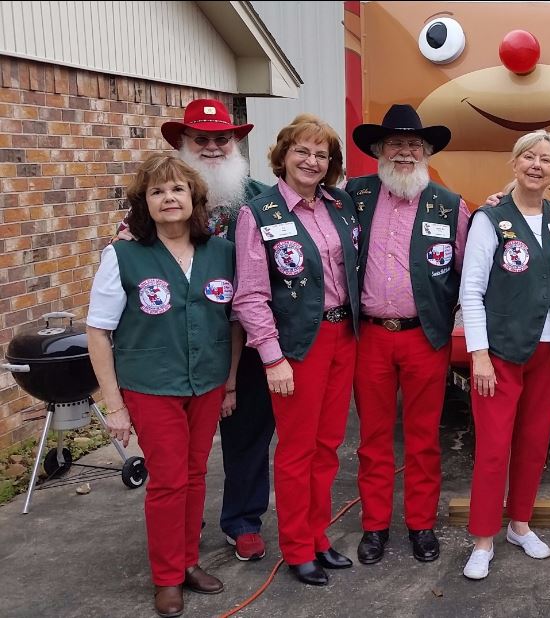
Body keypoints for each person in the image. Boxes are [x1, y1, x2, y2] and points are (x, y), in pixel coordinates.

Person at [87, 154, 238, 617]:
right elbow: (98, 330)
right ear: (144, 204)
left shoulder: (222, 252)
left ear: (194, 198)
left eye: (177, 190)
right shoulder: (124, 255)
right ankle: (167, 576)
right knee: (169, 481)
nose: (169, 198)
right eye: (157, 192)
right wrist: (114, 406)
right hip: (151, 385)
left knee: (195, 476)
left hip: (208, 383)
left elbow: (235, 323)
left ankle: (189, 561)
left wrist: (230, 381)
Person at [233, 114, 360, 587]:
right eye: (302, 151)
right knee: (296, 450)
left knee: (328, 446)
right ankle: (296, 546)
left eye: (321, 154)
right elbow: (249, 294)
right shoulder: (259, 213)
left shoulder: (340, 205)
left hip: (343, 336)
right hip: (297, 347)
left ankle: (319, 536)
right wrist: (272, 356)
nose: (311, 161)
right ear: (283, 155)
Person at [347, 104, 472, 565]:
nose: (405, 152)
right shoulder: (352, 196)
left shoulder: (450, 204)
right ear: (379, 150)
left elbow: (469, 270)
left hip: (425, 337)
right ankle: (375, 526)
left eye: (413, 145)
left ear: (426, 152)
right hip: (371, 337)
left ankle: (421, 524)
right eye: (395, 144)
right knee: (374, 438)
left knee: (423, 438)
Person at [157, 98, 274, 563]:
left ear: (236, 143)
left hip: (247, 343)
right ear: (183, 144)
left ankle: (243, 521)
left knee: (249, 435)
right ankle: (183, 524)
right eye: (200, 139)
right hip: (181, 341)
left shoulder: (262, 199)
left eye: (221, 139)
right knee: (183, 445)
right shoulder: (161, 201)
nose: (211, 147)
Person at [458, 130, 550, 580]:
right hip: (502, 351)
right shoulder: (491, 219)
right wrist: (479, 354)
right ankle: (483, 537)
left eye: (546, 159)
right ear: (514, 163)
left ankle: (519, 525)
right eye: (528, 156)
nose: (536, 165)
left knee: (533, 444)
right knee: (492, 448)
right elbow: (472, 289)